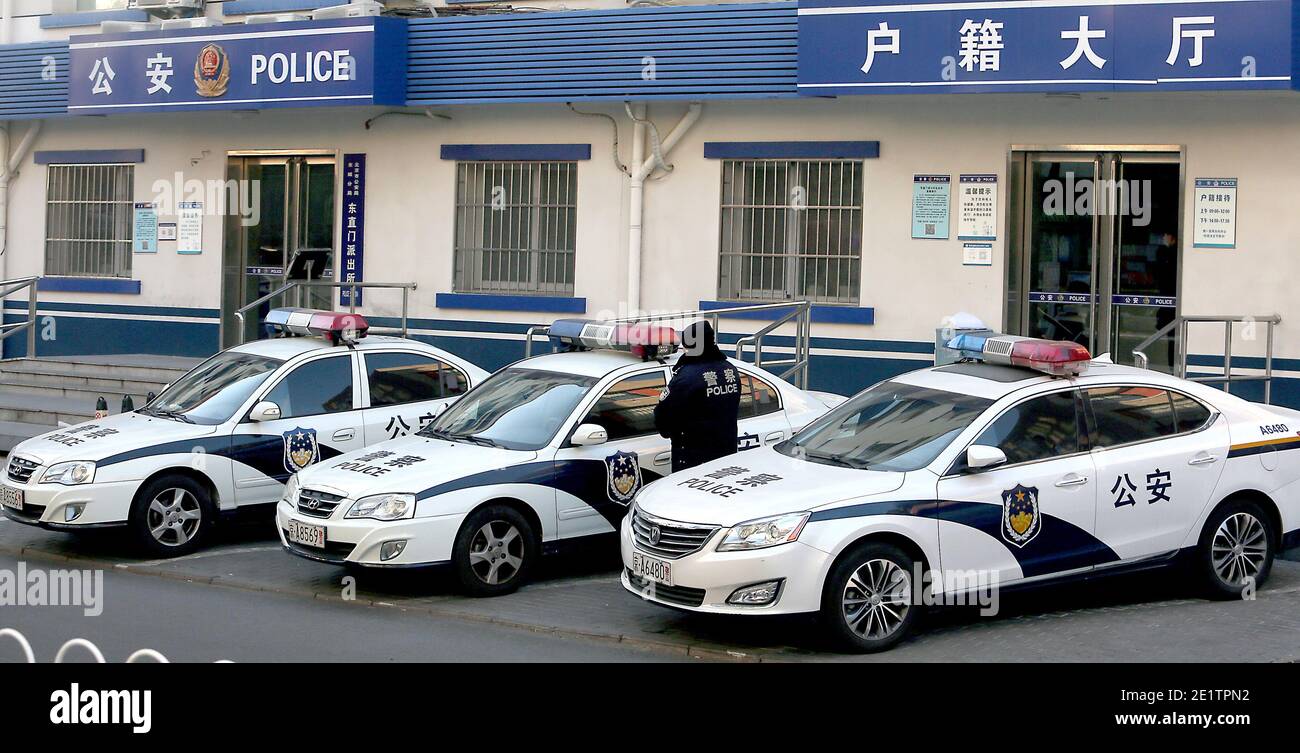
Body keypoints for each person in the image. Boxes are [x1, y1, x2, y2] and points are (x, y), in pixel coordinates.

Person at [654, 320, 741, 472]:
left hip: (692, 463)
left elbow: (663, 420)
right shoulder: (730, 371)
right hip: (726, 457)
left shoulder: (686, 377)